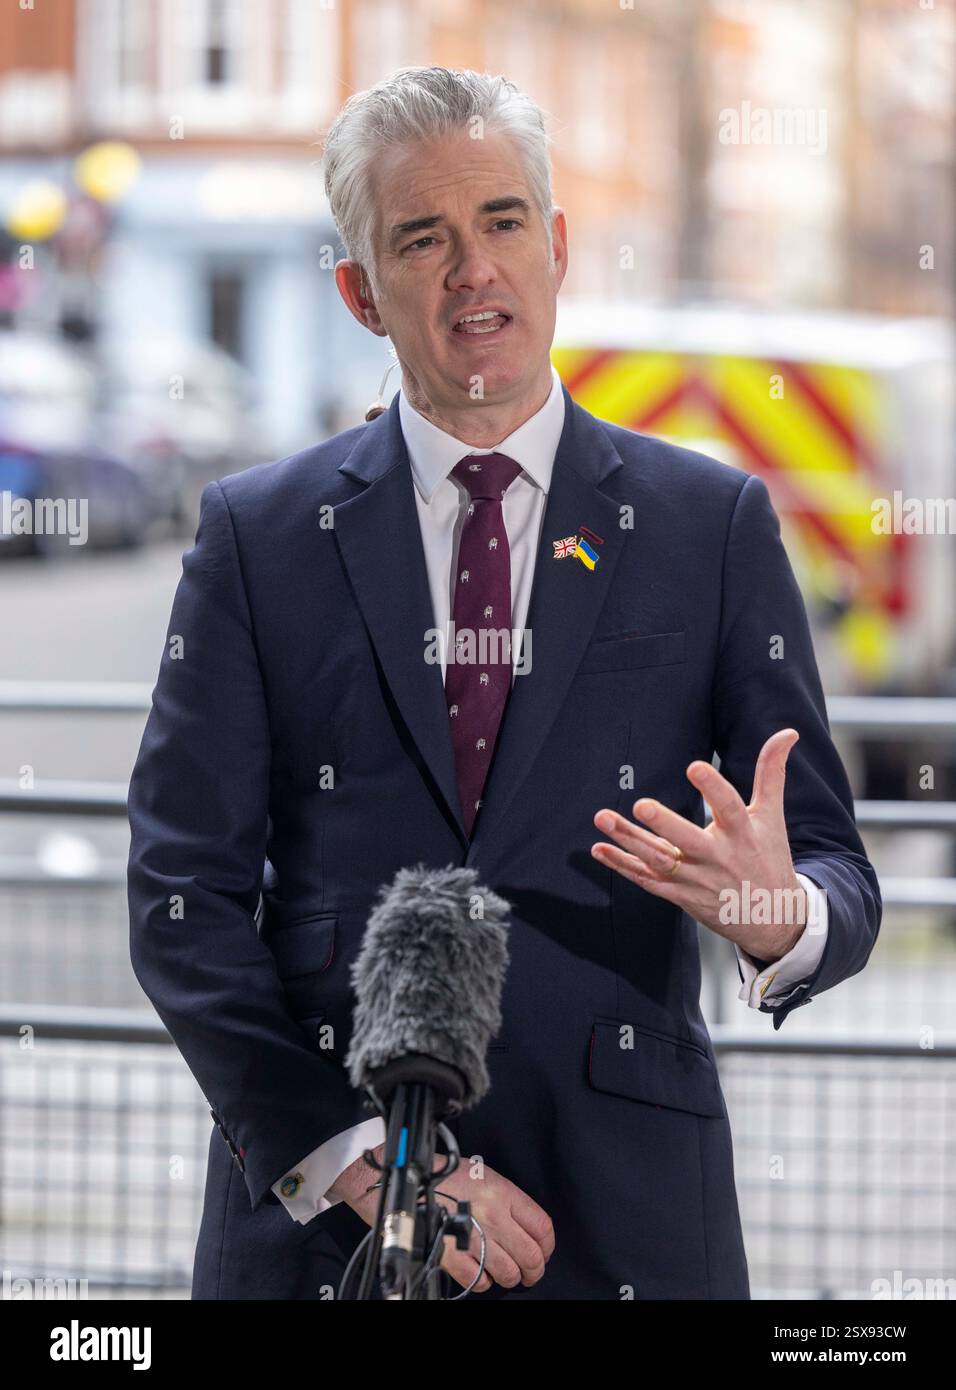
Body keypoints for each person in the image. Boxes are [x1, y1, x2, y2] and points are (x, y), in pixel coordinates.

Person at [127, 66, 881, 1301]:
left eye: (502, 221)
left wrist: (778, 917)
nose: (472, 268)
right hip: (332, 1231)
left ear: (558, 247)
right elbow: (178, 895)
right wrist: (377, 1167)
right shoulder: (256, 538)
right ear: (360, 294)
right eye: (421, 237)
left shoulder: (712, 526)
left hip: (624, 1223)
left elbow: (833, 872)